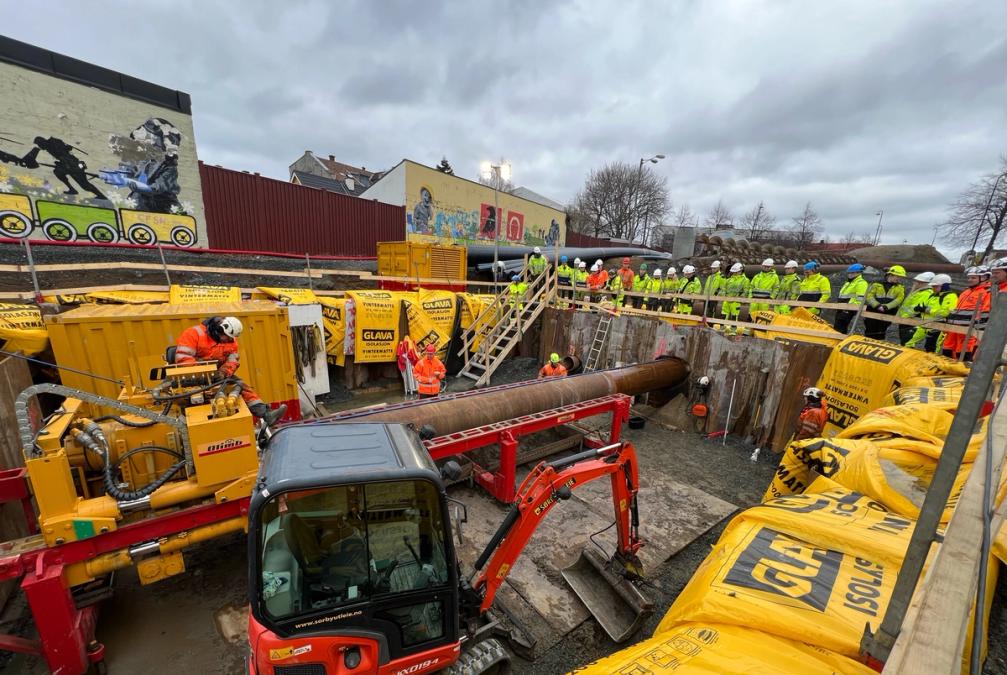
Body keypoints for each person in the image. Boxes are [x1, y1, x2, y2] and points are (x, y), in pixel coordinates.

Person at [175, 316, 287, 426]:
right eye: (227, 338)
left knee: (241, 386)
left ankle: (267, 415)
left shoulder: (230, 339)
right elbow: (183, 359)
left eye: (230, 339)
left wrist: (224, 372)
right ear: (219, 330)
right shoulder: (193, 334)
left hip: (217, 374)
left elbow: (233, 360)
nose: (228, 341)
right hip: (192, 377)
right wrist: (203, 375)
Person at [942, 266, 990, 361]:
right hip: (955, 329)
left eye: (973, 278)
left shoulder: (987, 292)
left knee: (964, 355)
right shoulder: (966, 292)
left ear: (984, 278)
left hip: (970, 331)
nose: (970, 280)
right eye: (969, 277)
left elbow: (985, 312)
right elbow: (958, 309)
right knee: (947, 351)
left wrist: (977, 327)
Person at [910, 274, 957, 353]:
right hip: (924, 324)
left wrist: (927, 310)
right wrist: (920, 309)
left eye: (935, 286)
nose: (933, 288)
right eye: (933, 286)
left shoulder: (951, 296)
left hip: (938, 326)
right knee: (908, 342)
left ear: (944, 286)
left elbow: (946, 312)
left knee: (932, 348)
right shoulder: (933, 295)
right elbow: (927, 307)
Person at [863, 265, 907, 341]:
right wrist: (877, 305)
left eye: (900, 277)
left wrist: (887, 307)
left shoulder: (900, 287)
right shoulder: (876, 284)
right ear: (890, 275)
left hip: (888, 311)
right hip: (873, 310)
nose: (899, 279)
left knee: (881, 332)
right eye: (898, 276)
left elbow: (899, 299)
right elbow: (869, 296)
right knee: (870, 331)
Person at [897, 272, 935, 346]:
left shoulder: (926, 293)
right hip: (906, 320)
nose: (916, 283)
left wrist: (904, 317)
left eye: (919, 282)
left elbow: (916, 308)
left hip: (912, 321)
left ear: (925, 283)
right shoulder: (919, 292)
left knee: (907, 342)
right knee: (904, 342)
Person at [833, 264, 868, 334]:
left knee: (841, 327)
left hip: (848, 309)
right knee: (837, 327)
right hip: (841, 307)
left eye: (852, 273)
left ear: (859, 273)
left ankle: (839, 341)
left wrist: (850, 308)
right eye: (849, 273)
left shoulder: (861, 283)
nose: (850, 275)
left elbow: (860, 299)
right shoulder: (849, 282)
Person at [721, 263, 750, 331]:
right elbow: (724, 288)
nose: (734, 274)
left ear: (740, 271)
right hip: (727, 300)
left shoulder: (745, 280)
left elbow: (746, 291)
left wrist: (740, 297)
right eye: (733, 272)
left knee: (734, 316)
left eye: (735, 272)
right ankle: (722, 329)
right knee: (724, 315)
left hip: (736, 302)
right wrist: (723, 295)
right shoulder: (729, 280)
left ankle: (733, 330)